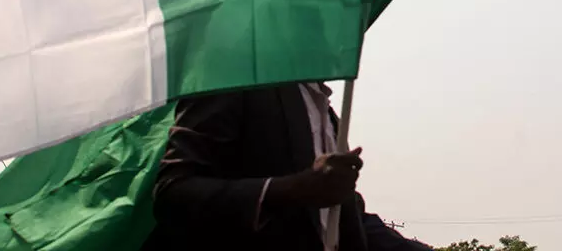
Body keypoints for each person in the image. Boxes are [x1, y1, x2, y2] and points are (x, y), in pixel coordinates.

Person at [142, 81, 431, 251]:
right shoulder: (236, 82)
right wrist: (292, 189)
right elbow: (174, 194)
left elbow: (346, 218)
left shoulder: (327, 113)